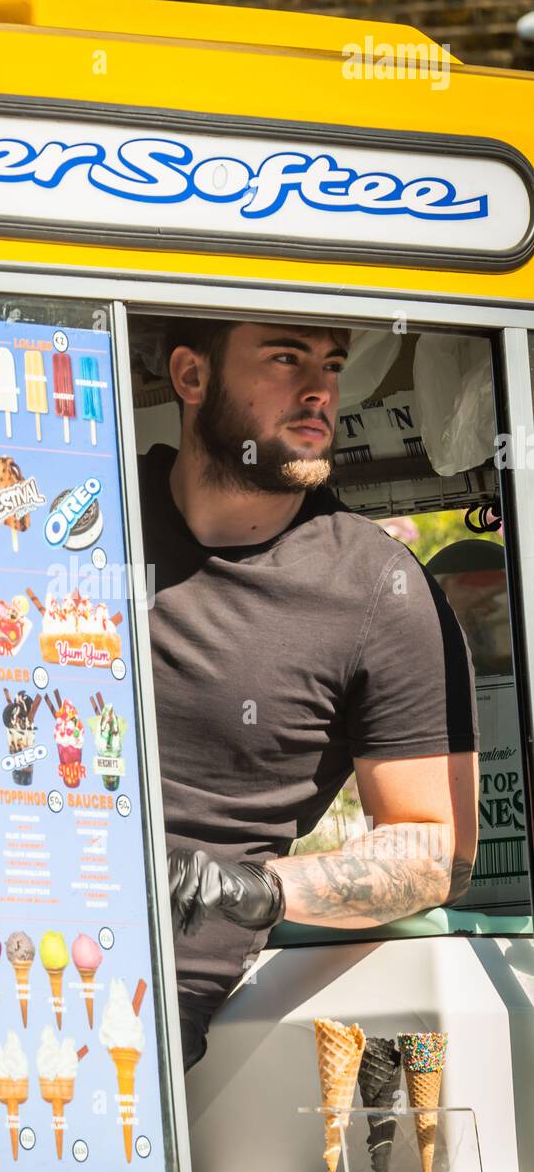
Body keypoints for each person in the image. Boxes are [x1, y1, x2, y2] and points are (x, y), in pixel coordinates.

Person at [137, 318, 480, 1072]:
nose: (318, 390)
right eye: (285, 358)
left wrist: (257, 889)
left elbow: (435, 851)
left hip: (147, 999)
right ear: (191, 379)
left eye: (329, 363)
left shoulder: (378, 590)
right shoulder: (88, 520)